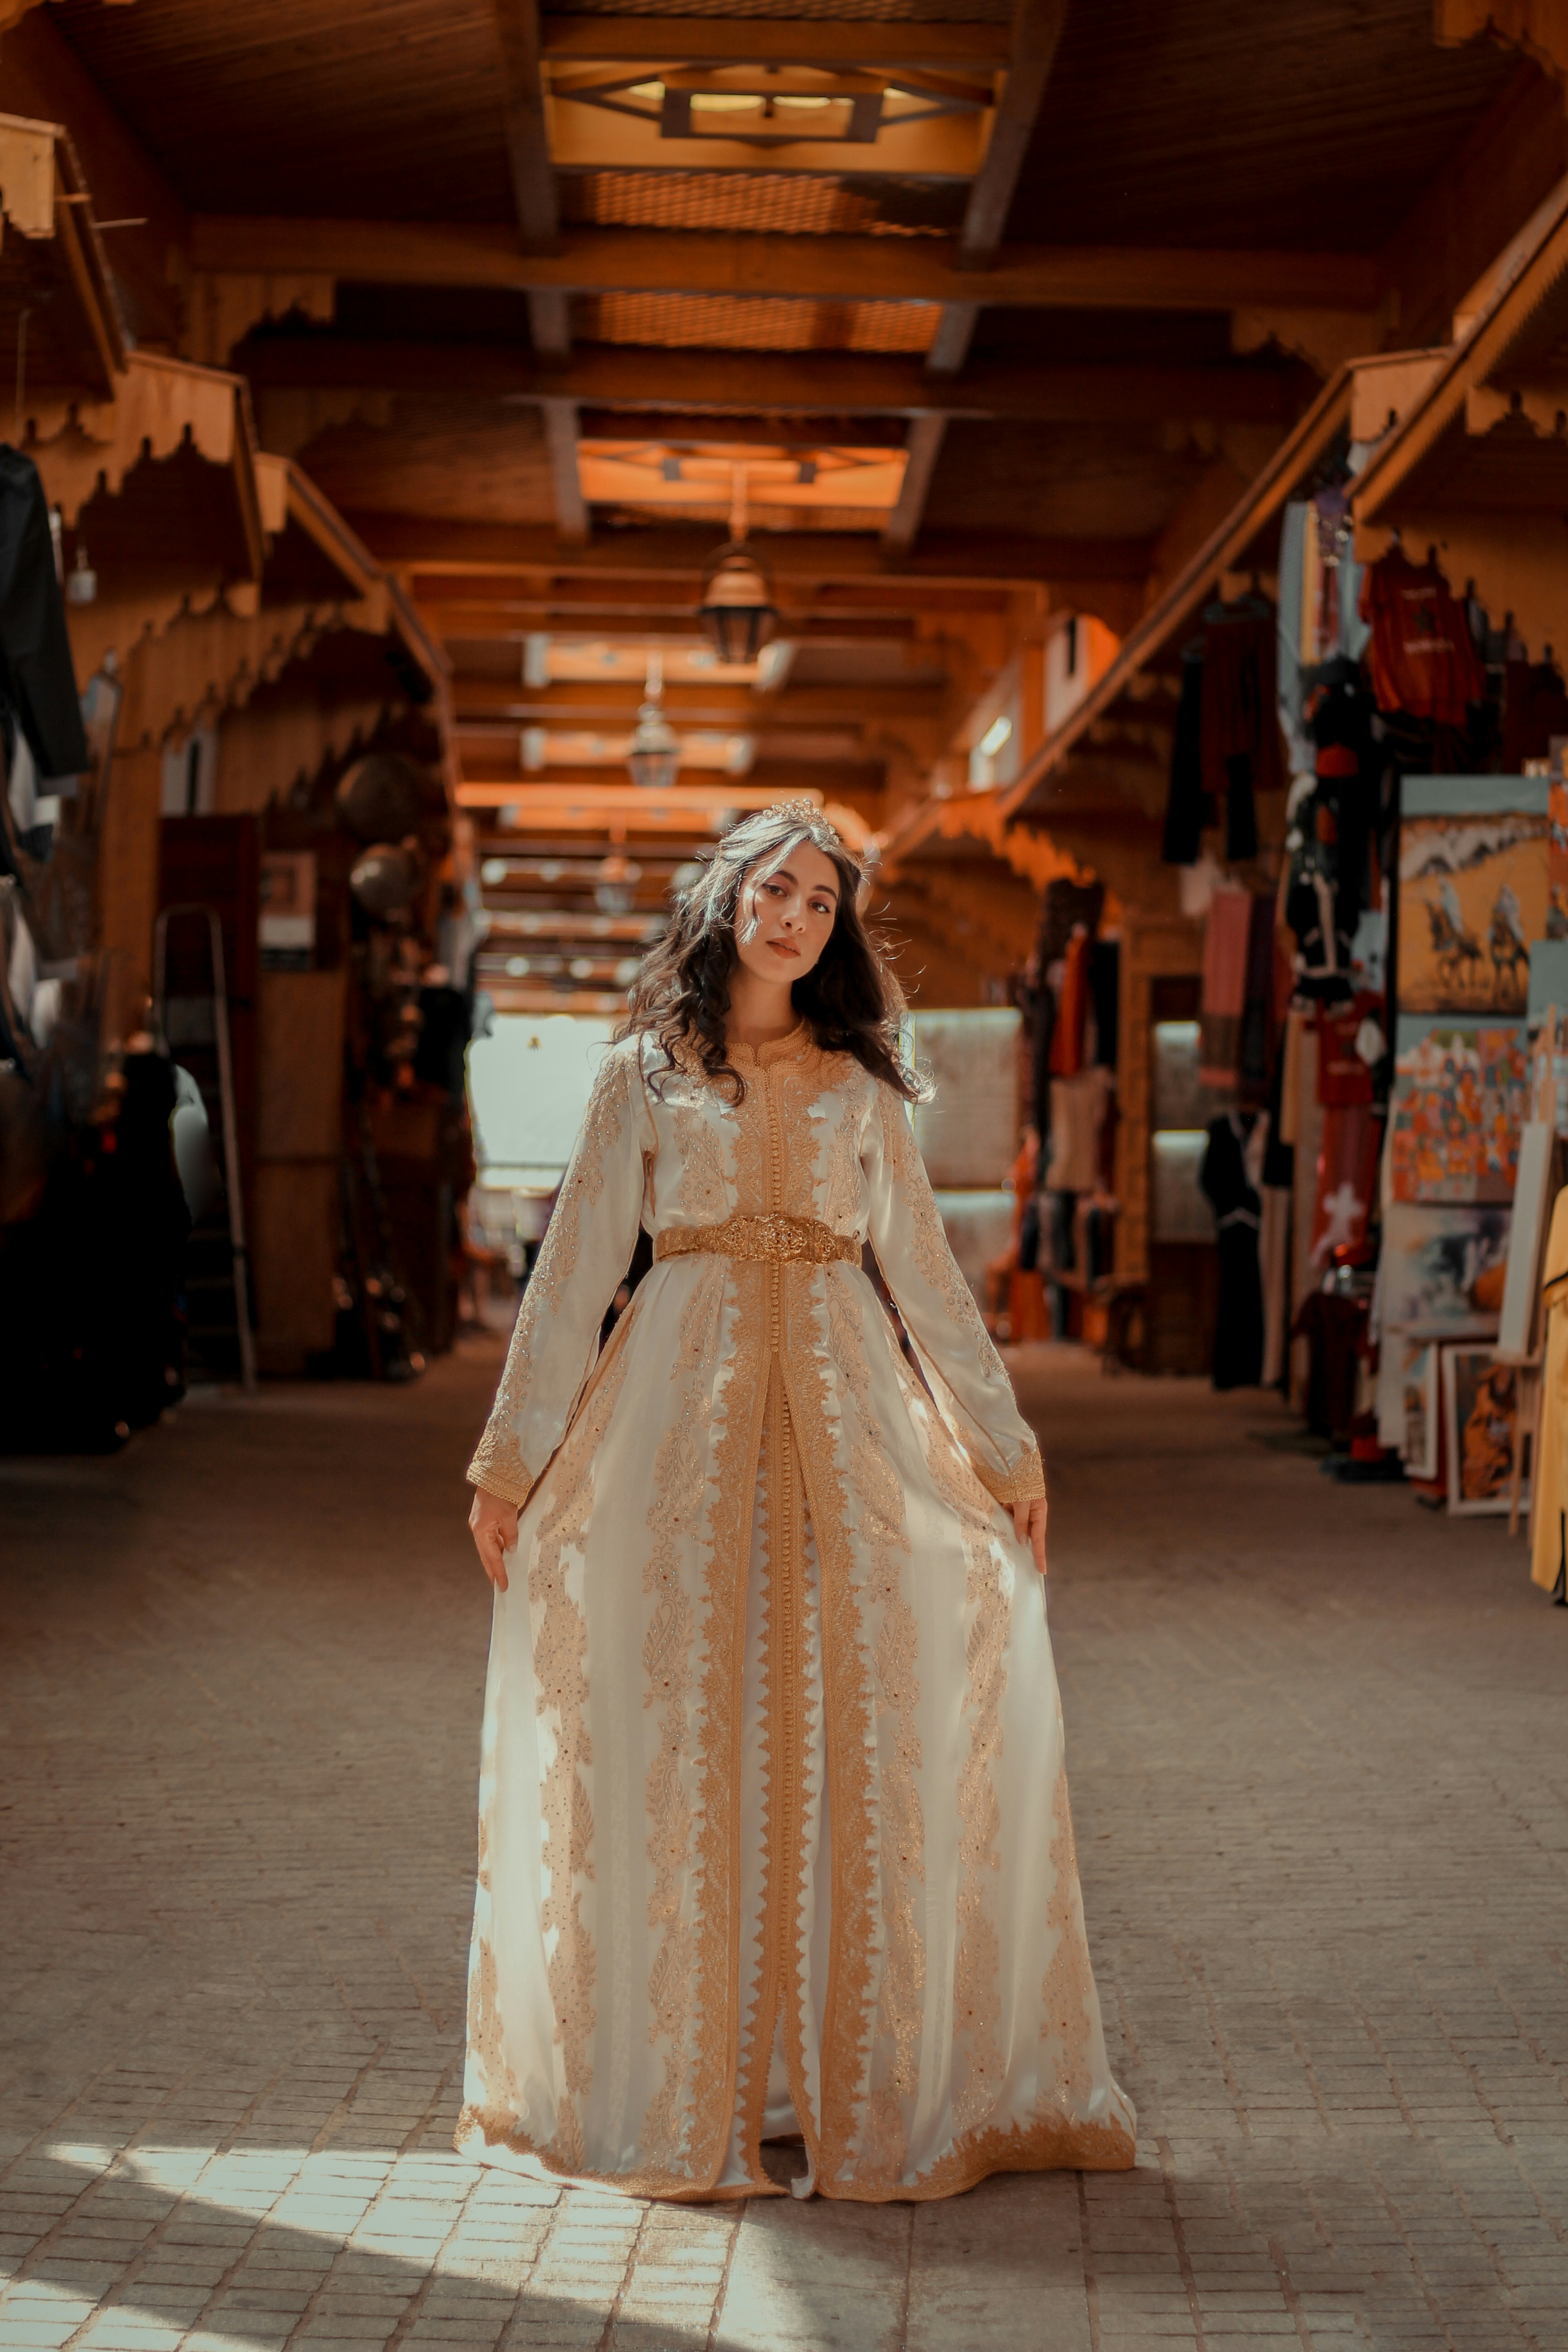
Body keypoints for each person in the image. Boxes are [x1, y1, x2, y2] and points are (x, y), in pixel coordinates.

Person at [461, 804, 1136, 2202]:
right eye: (776, 890)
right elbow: (579, 1268)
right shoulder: (641, 1076)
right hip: (673, 1424)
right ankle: (691, 2077)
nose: (795, 917)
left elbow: (931, 1283)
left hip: (849, 1417)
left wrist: (1006, 1454)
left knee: (847, 1712)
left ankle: (836, 2078)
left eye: (821, 903)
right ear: (728, 899)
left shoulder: (862, 1088)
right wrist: (510, 1461)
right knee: (693, 1715)